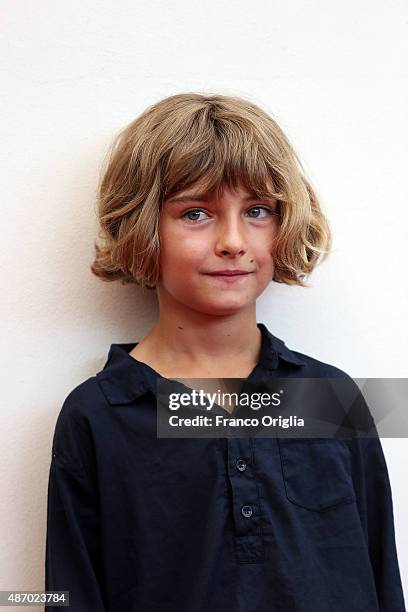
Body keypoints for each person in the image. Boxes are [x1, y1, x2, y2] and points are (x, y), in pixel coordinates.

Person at [45, 92, 405, 611]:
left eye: (257, 210)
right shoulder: (98, 416)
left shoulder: (331, 397)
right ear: (145, 228)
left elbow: (381, 576)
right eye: (196, 213)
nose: (233, 241)